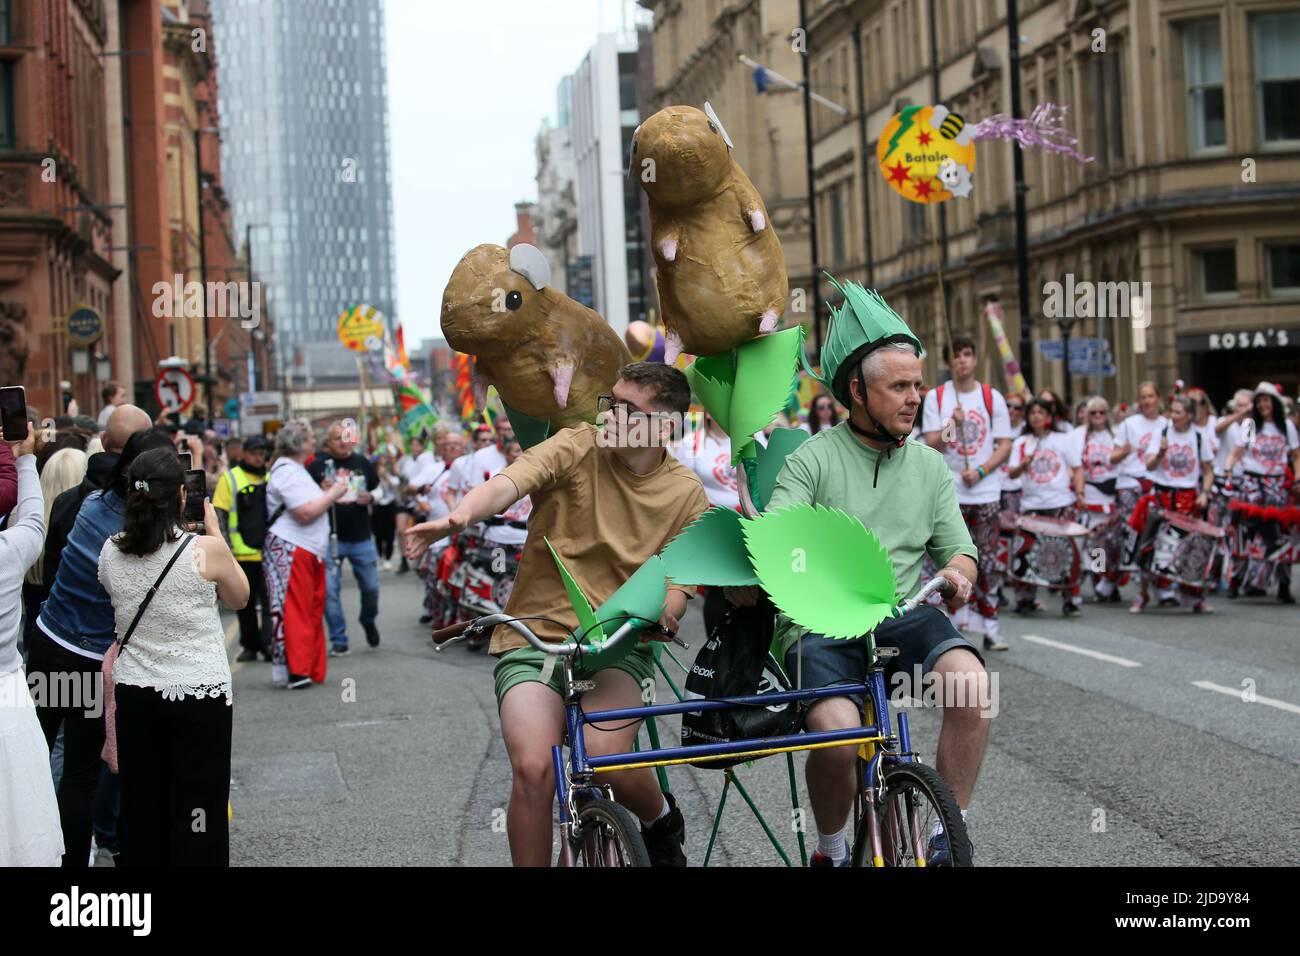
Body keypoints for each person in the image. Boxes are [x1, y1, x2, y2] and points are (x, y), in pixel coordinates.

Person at [404, 362, 709, 868]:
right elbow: (511, 481)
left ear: (667, 427)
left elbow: (680, 580)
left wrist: (667, 615)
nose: (609, 415)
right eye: (610, 402)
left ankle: (660, 819)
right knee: (533, 768)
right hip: (536, 635)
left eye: (628, 409)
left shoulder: (686, 493)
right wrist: (459, 517)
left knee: (605, 757)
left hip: (617, 644)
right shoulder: (578, 443)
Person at [728, 282, 985, 866]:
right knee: (840, 733)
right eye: (898, 386)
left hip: (899, 611)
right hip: (820, 623)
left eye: (917, 385)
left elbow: (961, 551)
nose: (914, 398)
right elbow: (779, 537)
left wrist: (957, 571)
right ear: (856, 392)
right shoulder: (813, 458)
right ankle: (831, 848)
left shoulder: (930, 466)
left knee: (970, 685)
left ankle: (949, 832)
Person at [27, 427, 173, 867]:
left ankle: (25, 849)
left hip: (50, 644)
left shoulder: (90, 505)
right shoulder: (142, 539)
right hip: (90, 662)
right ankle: (71, 868)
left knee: (34, 757)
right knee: (78, 777)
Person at [98, 448, 249, 865]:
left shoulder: (111, 550)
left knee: (144, 805)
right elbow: (239, 597)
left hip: (137, 694)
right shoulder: (204, 550)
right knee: (199, 805)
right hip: (199, 694)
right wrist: (215, 532)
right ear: (183, 497)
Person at [921, 335, 1013, 651]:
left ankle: (991, 626)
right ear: (948, 362)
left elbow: (1005, 444)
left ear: (975, 359)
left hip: (985, 493)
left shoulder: (992, 398)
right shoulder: (936, 397)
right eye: (956, 356)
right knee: (947, 561)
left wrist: (983, 470)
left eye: (967, 354)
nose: (962, 360)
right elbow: (931, 442)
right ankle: (950, 624)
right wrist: (951, 424)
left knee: (988, 560)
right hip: (949, 494)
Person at [0, 424, 64, 865]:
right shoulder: (7, 550)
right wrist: (24, 458)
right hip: (6, 694)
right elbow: (33, 521)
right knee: (19, 817)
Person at [264, 420, 348, 687]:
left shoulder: (295, 470)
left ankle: (308, 666)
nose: (315, 443)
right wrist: (334, 492)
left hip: (306, 549)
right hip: (292, 547)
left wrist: (326, 492)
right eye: (311, 438)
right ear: (299, 443)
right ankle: (298, 669)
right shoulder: (287, 471)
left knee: (310, 608)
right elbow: (305, 513)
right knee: (295, 609)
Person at [1128, 394, 1216, 613]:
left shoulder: (1199, 437)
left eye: (1178, 412)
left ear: (1189, 416)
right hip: (1162, 496)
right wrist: (1160, 453)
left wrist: (1205, 492)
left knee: (1191, 548)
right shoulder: (1162, 434)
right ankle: (1143, 594)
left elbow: (1207, 470)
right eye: (1172, 411)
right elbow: (1148, 466)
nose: (1173, 416)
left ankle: (1193, 596)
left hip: (1188, 498)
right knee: (1149, 545)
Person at [307, 421, 381, 655]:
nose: (342, 442)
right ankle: (339, 639)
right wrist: (321, 489)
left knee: (371, 587)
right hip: (329, 538)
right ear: (327, 442)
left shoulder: (361, 462)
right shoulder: (317, 466)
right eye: (337, 438)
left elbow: (380, 489)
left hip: (361, 537)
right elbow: (302, 497)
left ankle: (368, 619)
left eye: (345, 437)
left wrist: (371, 497)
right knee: (330, 590)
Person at [1006, 399, 1085, 615]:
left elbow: (1077, 469)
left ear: (1049, 416)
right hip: (1031, 504)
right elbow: (1011, 473)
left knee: (1067, 552)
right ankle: (1025, 598)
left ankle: (1071, 598)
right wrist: (1024, 463)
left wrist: (1079, 492)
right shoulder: (1021, 442)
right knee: (1026, 550)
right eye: (1032, 412)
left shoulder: (1063, 439)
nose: (1037, 416)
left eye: (1041, 412)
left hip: (1060, 502)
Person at [1225, 382, 1300, 602]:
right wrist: (1229, 469)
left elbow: (1296, 455)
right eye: (1259, 401)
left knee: (1282, 536)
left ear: (1274, 402)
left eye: (1266, 400)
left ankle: (1284, 586)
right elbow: (1237, 452)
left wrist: (1298, 478)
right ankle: (1235, 581)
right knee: (1245, 535)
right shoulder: (1250, 425)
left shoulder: (1285, 426)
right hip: (1252, 484)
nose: (1263, 405)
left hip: (1278, 486)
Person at [211, 435, 273, 662]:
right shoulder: (231, 478)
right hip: (241, 553)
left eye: (262, 454)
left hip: (267, 553)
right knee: (244, 603)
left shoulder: (270, 478)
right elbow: (220, 514)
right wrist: (225, 549)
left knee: (269, 601)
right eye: (255, 454)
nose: (259, 458)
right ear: (244, 454)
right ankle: (250, 645)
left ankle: (268, 643)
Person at [1072, 397, 1124, 602]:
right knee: (1091, 542)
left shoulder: (1116, 435)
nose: (1098, 417)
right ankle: (1092, 581)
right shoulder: (1081, 436)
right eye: (1093, 413)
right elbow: (1076, 466)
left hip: (1111, 493)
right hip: (1090, 492)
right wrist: (1080, 492)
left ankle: (1105, 581)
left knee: (1106, 543)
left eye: (1102, 412)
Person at [1110, 381, 1167, 535]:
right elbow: (1112, 458)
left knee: (1153, 531)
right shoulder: (1129, 424)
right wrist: (1123, 452)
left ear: (1158, 398)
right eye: (1143, 397)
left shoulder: (1166, 425)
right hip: (1130, 483)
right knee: (1130, 530)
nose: (1147, 401)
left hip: (1155, 484)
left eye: (1150, 396)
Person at [371, 453, 401, 571]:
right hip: (378, 507)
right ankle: (380, 557)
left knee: (390, 534)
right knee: (378, 534)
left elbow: (396, 488)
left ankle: (388, 558)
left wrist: (386, 478)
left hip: (390, 506)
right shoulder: (374, 478)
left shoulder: (392, 477)